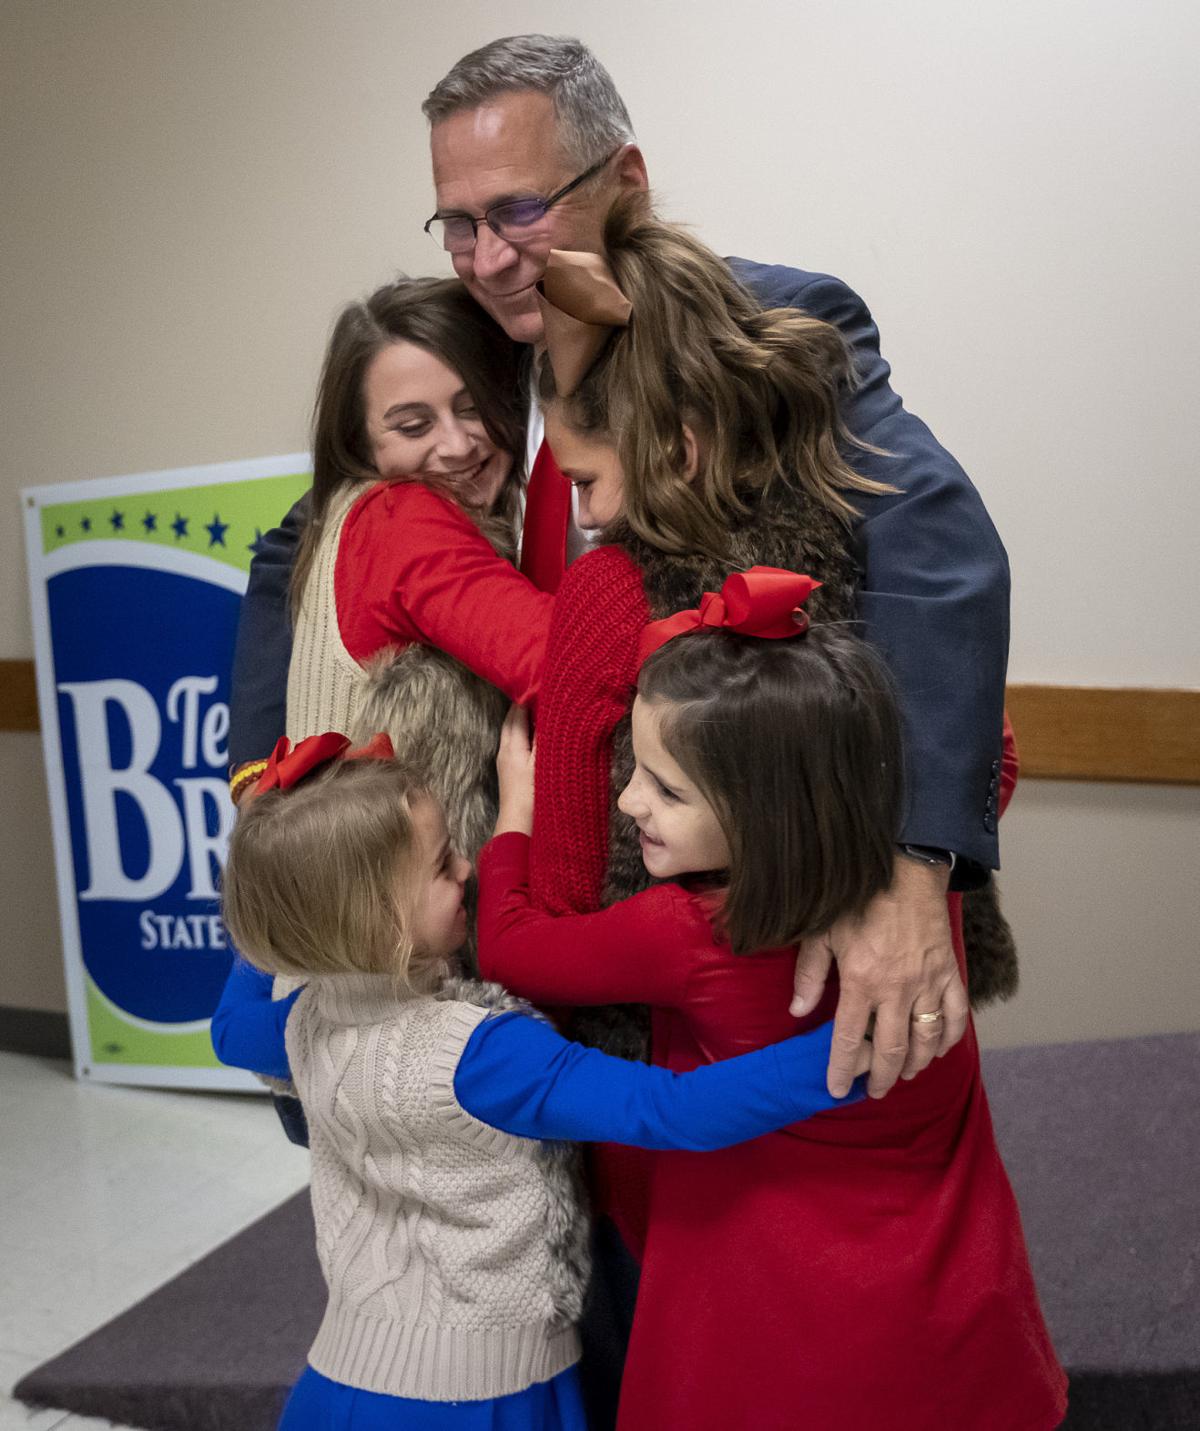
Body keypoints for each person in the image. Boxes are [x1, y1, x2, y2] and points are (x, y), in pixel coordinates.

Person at [229, 34, 1013, 1105]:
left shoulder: (761, 327)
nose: (486, 256)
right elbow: (309, 528)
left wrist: (912, 861)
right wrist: (268, 788)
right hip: (523, 920)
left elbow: (940, 555)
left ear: (625, 182)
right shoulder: (473, 348)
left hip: (725, 910)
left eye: (516, 210)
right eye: (457, 222)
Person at [476, 569, 1065, 1431]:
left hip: (776, 1322)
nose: (628, 797)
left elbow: (512, 947)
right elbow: (993, 749)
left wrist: (514, 814)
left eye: (666, 788)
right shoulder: (924, 900)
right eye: (635, 767)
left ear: (768, 811)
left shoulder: (688, 935)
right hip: (946, 1304)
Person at [217, 733, 867, 1431]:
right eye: (442, 866)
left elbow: (229, 1026)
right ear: (377, 919)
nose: (466, 868)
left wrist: (285, 886)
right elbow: (670, 1108)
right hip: (481, 1396)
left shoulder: (299, 1026)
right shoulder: (482, 1055)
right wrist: (849, 1050)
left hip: (337, 1378)